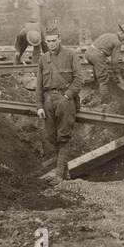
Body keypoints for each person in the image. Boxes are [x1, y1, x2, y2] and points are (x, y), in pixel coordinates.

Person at [35, 26, 86, 180]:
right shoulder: (43, 59)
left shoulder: (70, 55)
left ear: (59, 39)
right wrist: (39, 106)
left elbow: (79, 79)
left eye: (54, 40)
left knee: (63, 137)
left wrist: (67, 96)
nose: (51, 44)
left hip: (65, 100)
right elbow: (38, 84)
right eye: (48, 41)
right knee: (51, 137)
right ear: (45, 41)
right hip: (48, 100)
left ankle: (59, 176)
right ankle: (65, 172)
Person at [84, 25, 124, 107]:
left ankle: (96, 93)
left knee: (97, 74)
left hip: (88, 53)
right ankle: (105, 102)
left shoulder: (107, 35)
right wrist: (117, 74)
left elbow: (100, 47)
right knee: (103, 79)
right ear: (122, 34)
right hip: (97, 56)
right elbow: (114, 62)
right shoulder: (118, 42)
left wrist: (104, 59)